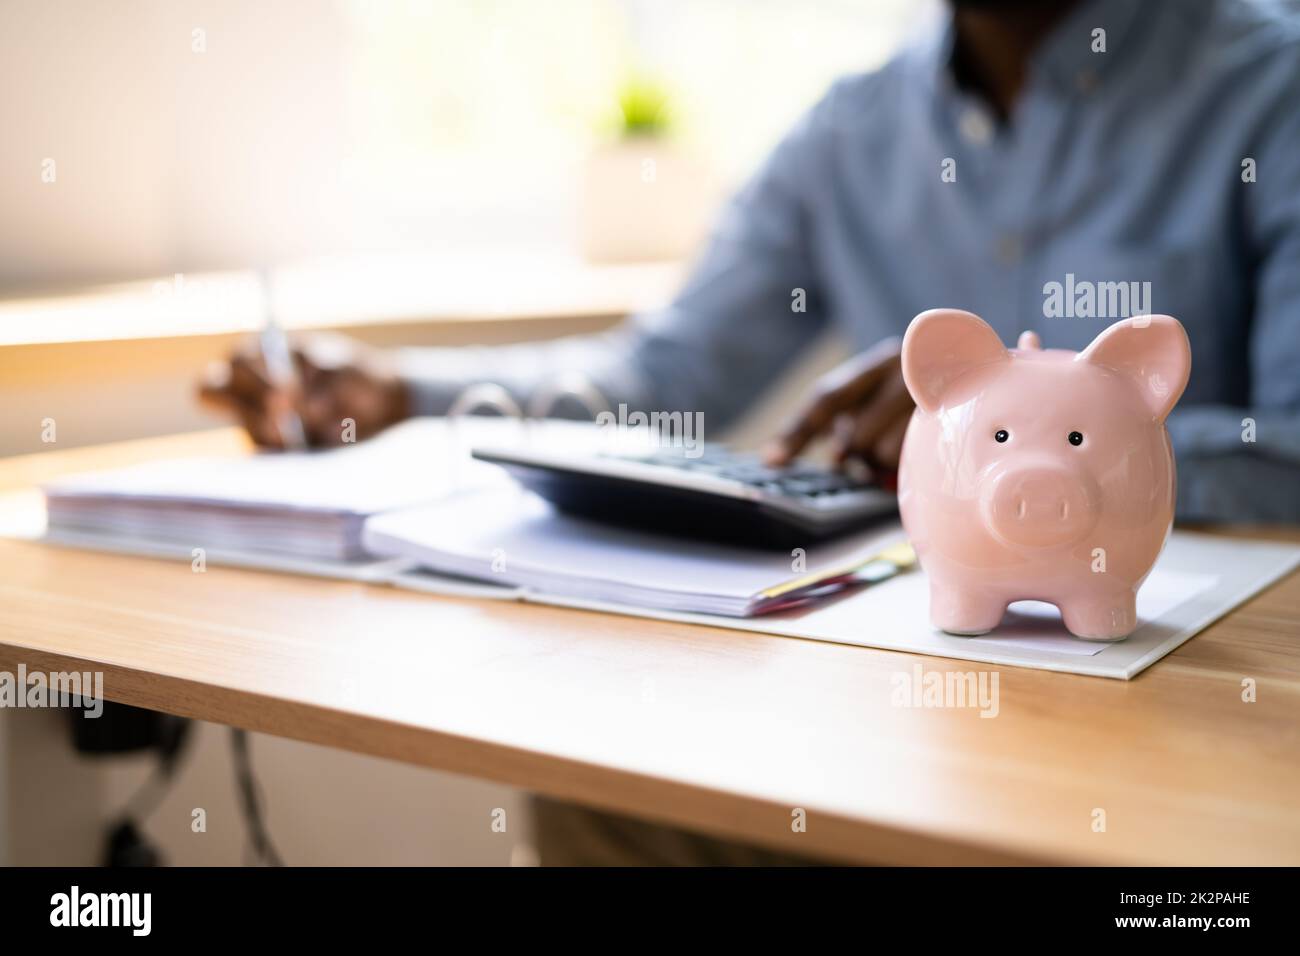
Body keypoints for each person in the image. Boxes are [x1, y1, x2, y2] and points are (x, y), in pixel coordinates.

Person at [202, 0, 1300, 863]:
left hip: (1186, 702)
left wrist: (1103, 445)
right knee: (607, 799)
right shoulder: (849, 129)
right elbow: (658, 373)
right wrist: (405, 395)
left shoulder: (1272, 83)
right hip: (906, 690)